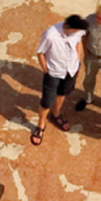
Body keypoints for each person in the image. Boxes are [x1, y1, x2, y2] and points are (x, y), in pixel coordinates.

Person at [30, 15, 89, 146]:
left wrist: (78, 61)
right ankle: (41, 125)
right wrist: (46, 70)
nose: (78, 33)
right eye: (75, 31)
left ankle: (56, 114)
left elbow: (79, 43)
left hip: (71, 70)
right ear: (69, 27)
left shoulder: (78, 31)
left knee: (63, 93)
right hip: (54, 72)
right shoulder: (50, 35)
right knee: (46, 102)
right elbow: (40, 53)